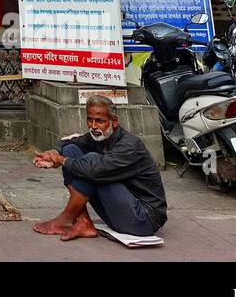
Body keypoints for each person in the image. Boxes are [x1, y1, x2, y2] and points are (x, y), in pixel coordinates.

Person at [32, 95, 168, 241]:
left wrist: (61, 161)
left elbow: (95, 169)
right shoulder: (99, 136)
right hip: (121, 210)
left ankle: (66, 218)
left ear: (114, 122)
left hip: (143, 219)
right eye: (90, 120)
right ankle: (82, 222)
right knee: (71, 150)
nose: (94, 126)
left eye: (100, 121)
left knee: (91, 162)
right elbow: (72, 142)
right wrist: (54, 153)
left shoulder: (130, 145)